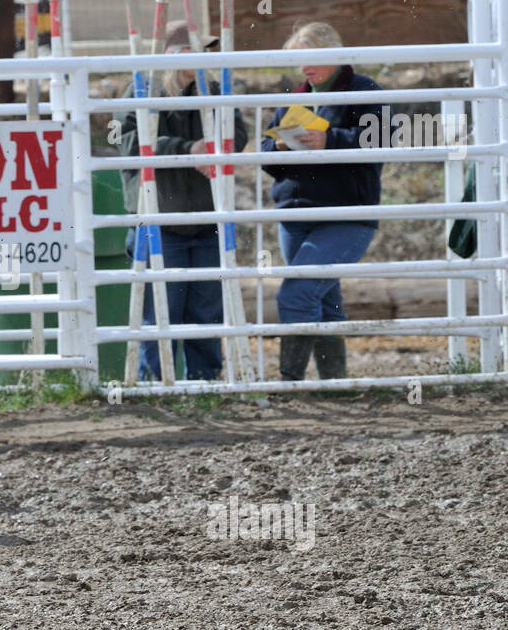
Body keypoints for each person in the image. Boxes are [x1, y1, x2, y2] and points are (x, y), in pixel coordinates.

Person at [118, 23, 247, 382]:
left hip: (207, 220)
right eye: (196, 51)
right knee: (161, 311)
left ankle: (204, 382)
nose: (205, 59)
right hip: (160, 219)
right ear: (173, 55)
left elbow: (236, 134)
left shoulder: (216, 92)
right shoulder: (142, 93)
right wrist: (186, 151)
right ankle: (153, 383)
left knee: (206, 310)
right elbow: (128, 144)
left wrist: (218, 148)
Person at [260, 21, 384, 381]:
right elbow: (266, 154)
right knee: (323, 300)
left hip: (346, 214)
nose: (305, 68)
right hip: (296, 213)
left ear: (334, 53)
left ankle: (290, 383)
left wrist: (329, 140)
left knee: (296, 296)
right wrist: (280, 146)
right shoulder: (295, 97)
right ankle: (334, 382)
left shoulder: (364, 90)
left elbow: (380, 141)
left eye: (312, 58)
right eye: (300, 60)